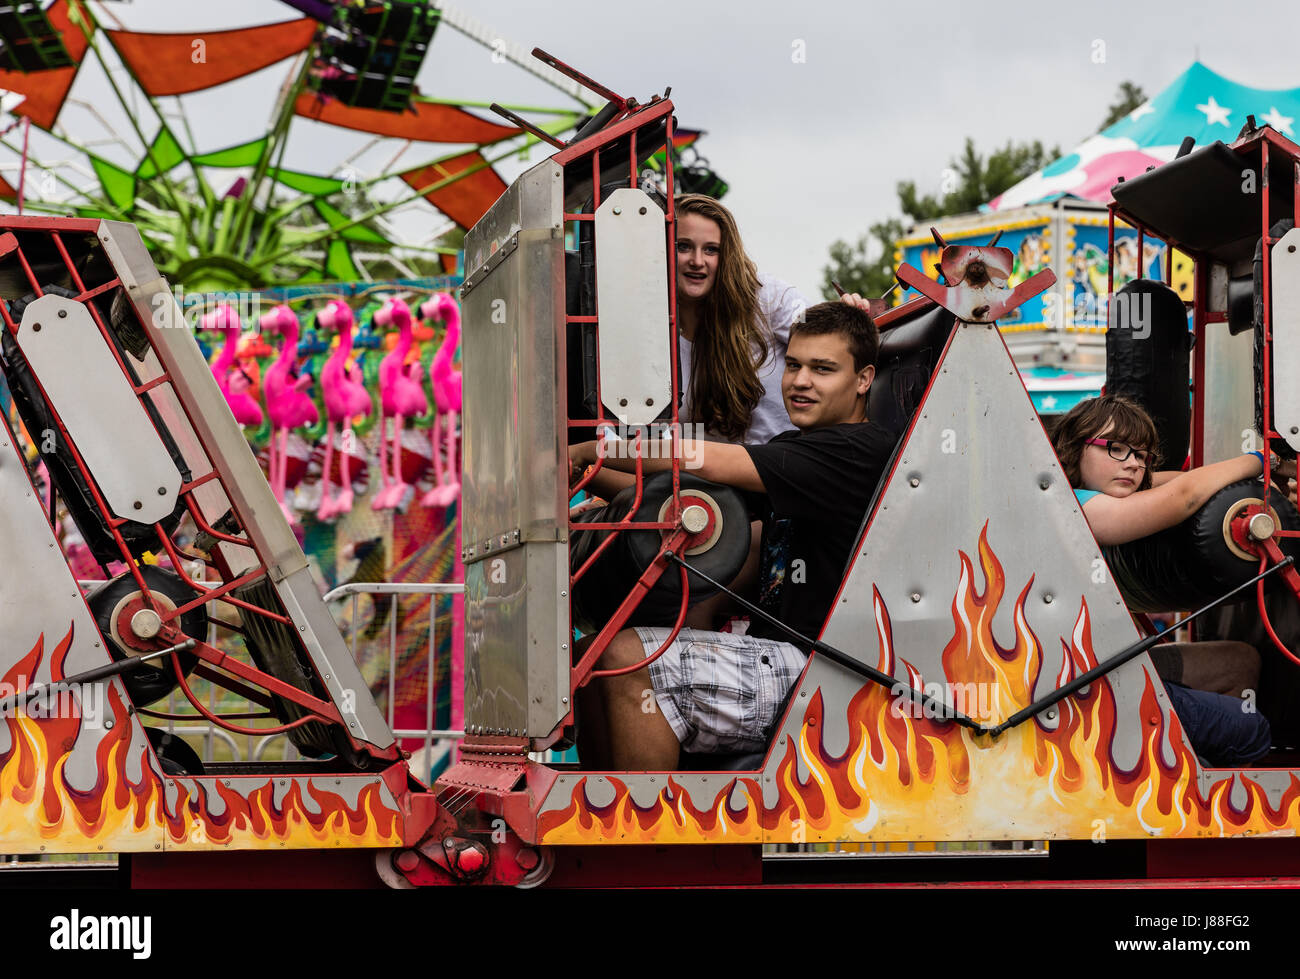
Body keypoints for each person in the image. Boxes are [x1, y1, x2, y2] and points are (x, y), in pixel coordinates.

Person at [568, 301, 895, 770]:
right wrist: (589, 472)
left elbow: (703, 458)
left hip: (825, 675)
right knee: (592, 653)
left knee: (626, 657)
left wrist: (587, 447)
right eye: (795, 365)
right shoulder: (797, 451)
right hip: (783, 658)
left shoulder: (856, 451)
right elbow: (686, 502)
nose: (801, 381)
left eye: (823, 369)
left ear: (863, 379)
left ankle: (645, 836)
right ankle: (600, 828)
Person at [1049, 394, 1272, 766]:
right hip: (1081, 689)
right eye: (1116, 448)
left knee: (1240, 661)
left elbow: (1176, 480)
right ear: (1073, 450)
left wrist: (1267, 483)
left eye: (1140, 455)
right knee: (1250, 729)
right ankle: (1188, 793)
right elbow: (1183, 494)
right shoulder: (1078, 506)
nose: (1133, 464)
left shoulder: (1098, 493)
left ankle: (1192, 766)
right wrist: (1262, 460)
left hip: (1102, 667)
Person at [673, 194, 810, 444]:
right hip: (705, 479)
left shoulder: (767, 297)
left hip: (781, 466)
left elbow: (825, 336)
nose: (697, 261)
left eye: (711, 250)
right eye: (683, 246)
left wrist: (848, 313)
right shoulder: (649, 328)